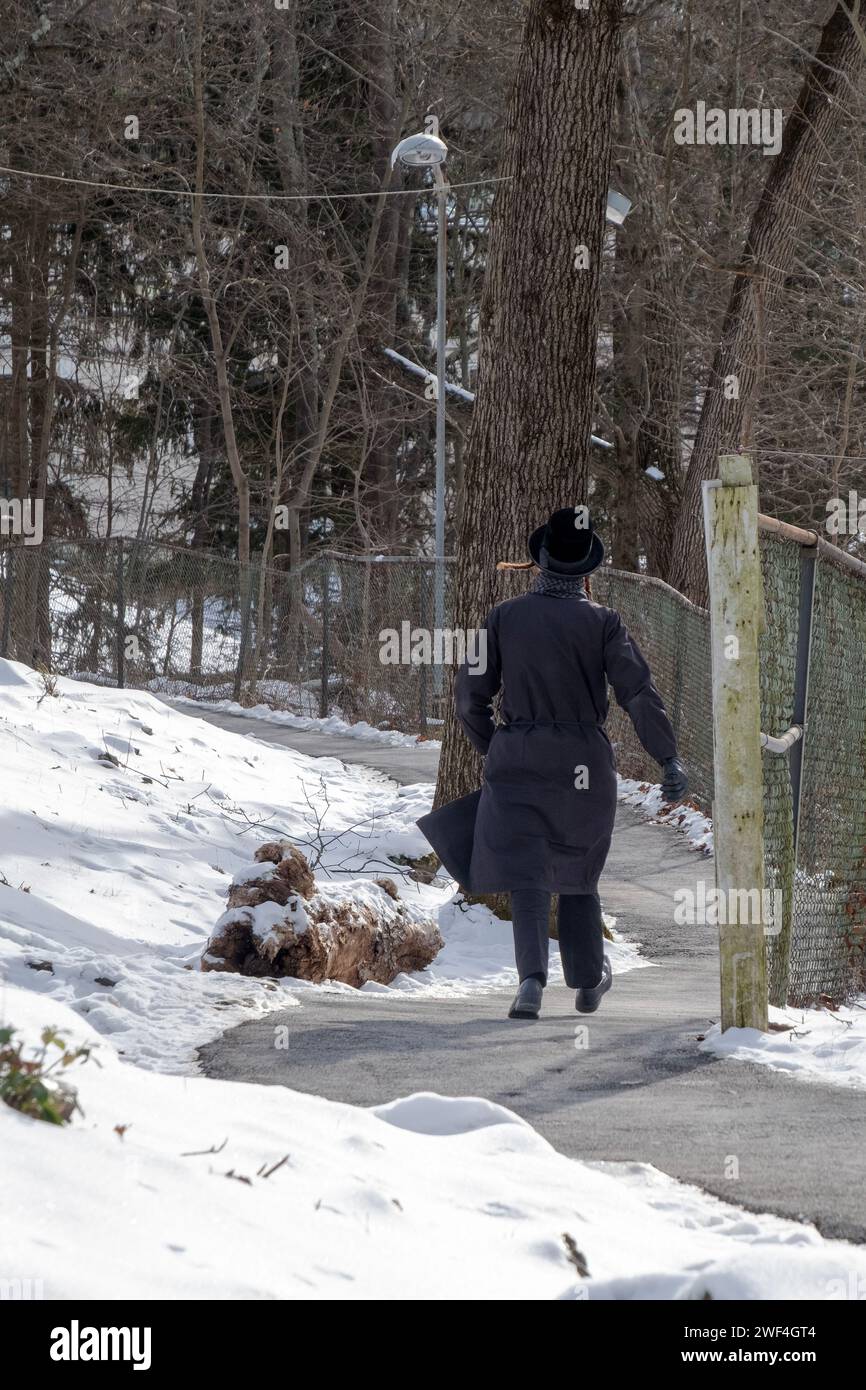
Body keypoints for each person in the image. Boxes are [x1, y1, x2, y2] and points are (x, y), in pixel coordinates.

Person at [417, 506, 688, 1020]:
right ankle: (587, 982)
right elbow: (638, 692)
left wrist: (496, 746)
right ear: (587, 569)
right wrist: (667, 756)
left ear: (539, 559)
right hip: (584, 764)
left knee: (528, 877)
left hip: (519, 755)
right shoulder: (605, 623)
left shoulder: (503, 618)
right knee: (579, 873)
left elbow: (466, 699)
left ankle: (529, 985)